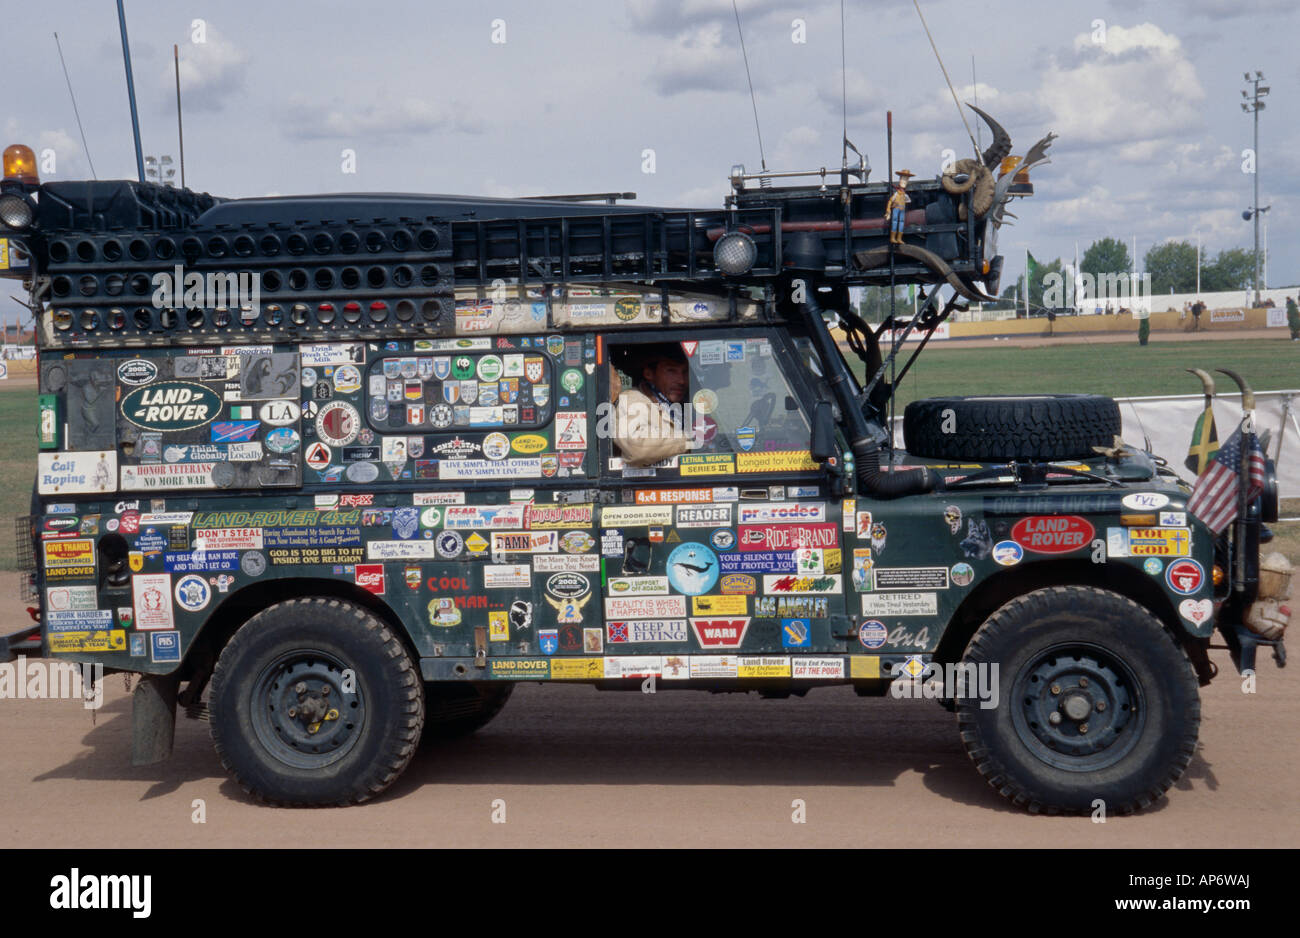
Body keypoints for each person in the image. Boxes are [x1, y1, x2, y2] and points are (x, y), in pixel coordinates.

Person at [611, 344, 701, 466]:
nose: (681, 380)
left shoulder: (683, 405)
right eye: (671, 371)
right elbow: (637, 448)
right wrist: (689, 441)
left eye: (685, 372)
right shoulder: (631, 400)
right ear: (649, 374)